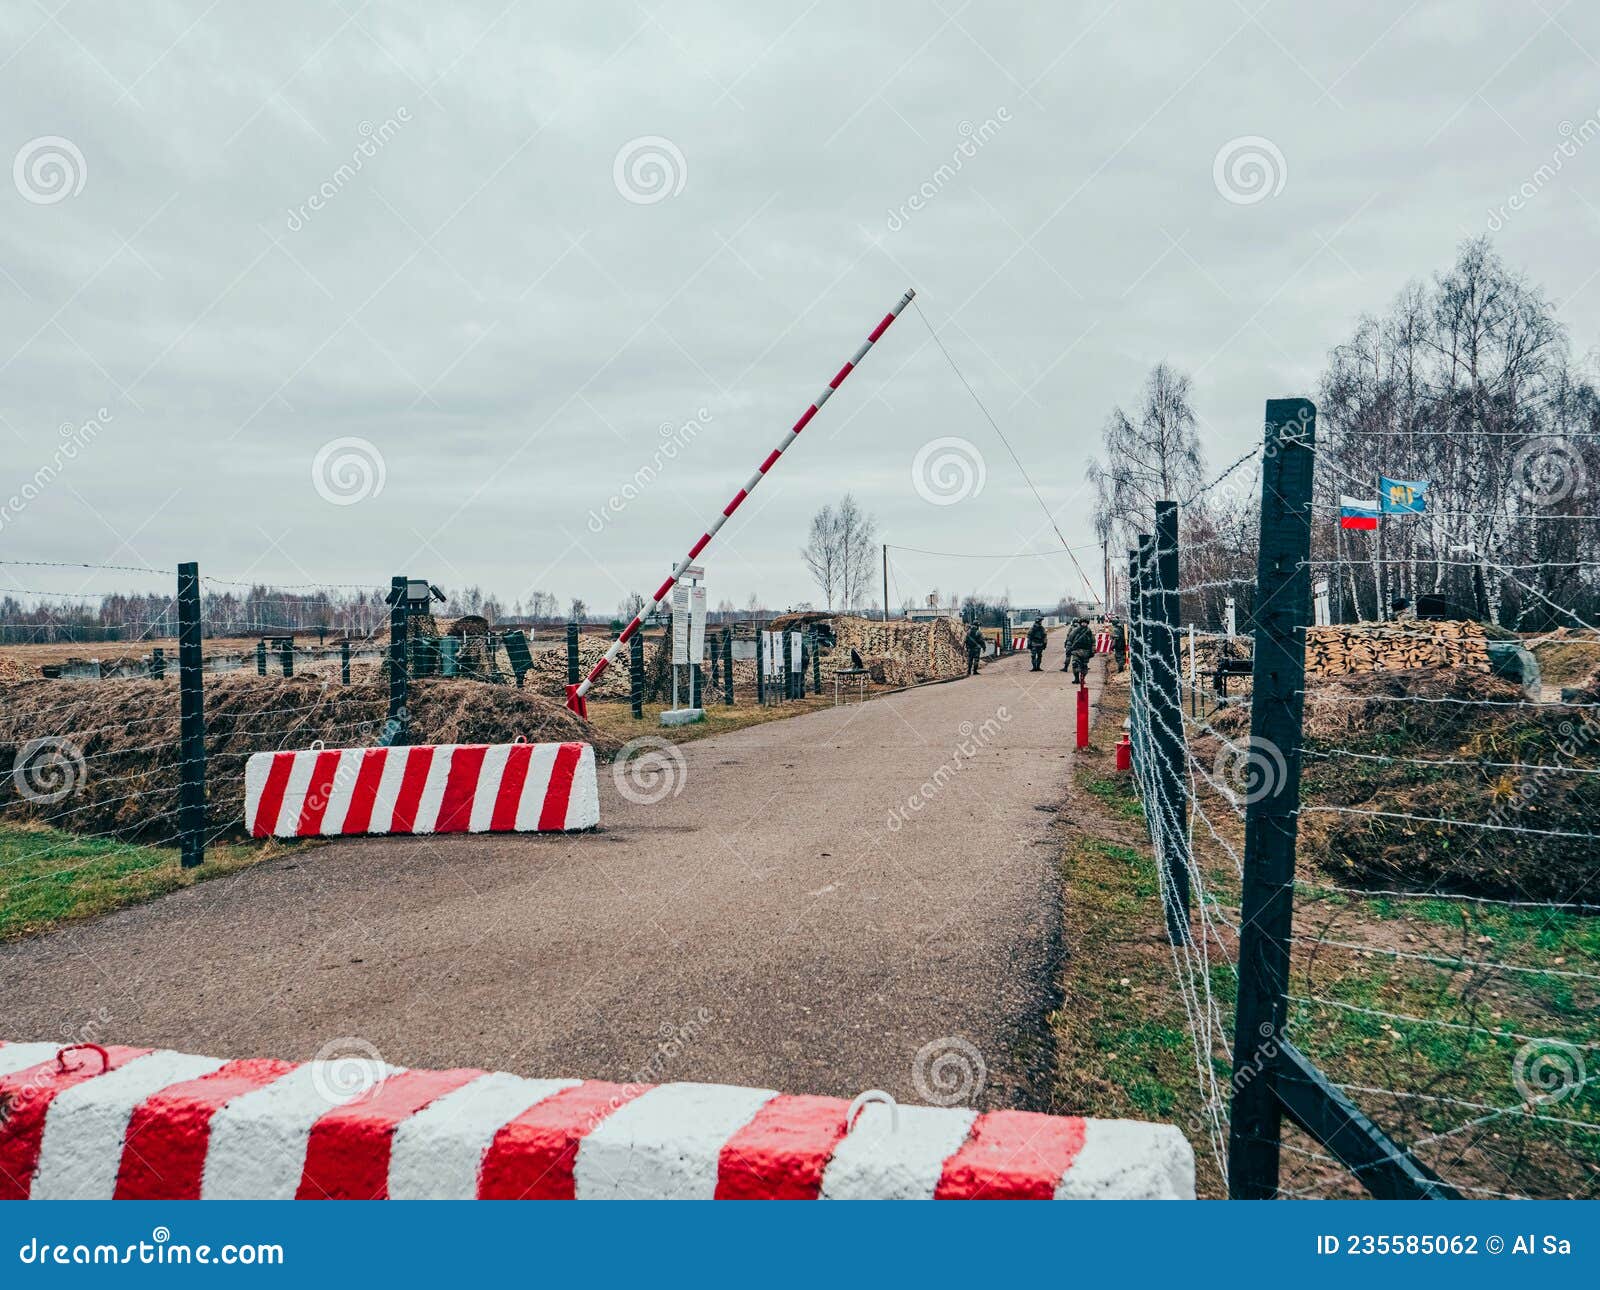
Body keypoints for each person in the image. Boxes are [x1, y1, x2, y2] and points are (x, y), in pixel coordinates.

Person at [1064, 616, 1093, 684]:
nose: (1084, 624)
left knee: (1084, 667)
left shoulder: (1089, 631)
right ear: (1080, 623)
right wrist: (1068, 648)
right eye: (1083, 623)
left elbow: (1093, 641)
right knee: (1075, 664)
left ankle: (1082, 679)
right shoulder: (1075, 631)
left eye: (1085, 623)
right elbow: (1070, 640)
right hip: (1076, 651)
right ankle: (1076, 679)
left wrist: (1093, 650)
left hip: (1086, 651)